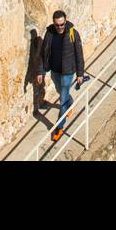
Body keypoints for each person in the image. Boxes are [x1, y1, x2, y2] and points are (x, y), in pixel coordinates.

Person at [36, 10, 85, 142]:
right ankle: (70, 103)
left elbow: (79, 54)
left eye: (62, 24)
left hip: (68, 72)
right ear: (54, 23)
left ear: (65, 21)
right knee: (61, 92)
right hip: (54, 71)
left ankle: (59, 127)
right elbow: (43, 53)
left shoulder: (72, 33)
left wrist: (80, 73)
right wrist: (41, 71)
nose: (60, 27)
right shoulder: (50, 33)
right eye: (57, 25)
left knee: (62, 99)